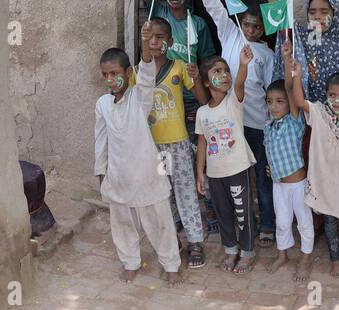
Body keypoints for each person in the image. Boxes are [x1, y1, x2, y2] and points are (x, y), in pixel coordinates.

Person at [182, 0, 278, 248]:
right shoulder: (230, 34)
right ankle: (226, 220)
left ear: (264, 27)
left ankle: (266, 224)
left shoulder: (267, 52)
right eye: (247, 23)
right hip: (228, 122)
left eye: (257, 24)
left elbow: (271, 89)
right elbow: (210, 2)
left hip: (257, 124)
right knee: (227, 174)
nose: (251, 28)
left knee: (261, 177)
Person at [95, 34, 181, 285]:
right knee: (122, 224)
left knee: (160, 223)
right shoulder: (102, 105)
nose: (110, 80)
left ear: (128, 72)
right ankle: (130, 262)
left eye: (114, 73)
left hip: (147, 174)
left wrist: (145, 44)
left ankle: (171, 264)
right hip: (119, 176)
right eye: (105, 75)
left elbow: (146, 74)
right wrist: (101, 172)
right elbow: (100, 140)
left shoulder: (140, 97)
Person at [285, 39, 339, 278]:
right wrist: (298, 75)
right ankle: (334, 259)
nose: (337, 100)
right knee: (330, 220)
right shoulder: (320, 113)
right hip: (324, 178)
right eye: (333, 95)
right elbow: (299, 101)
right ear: (326, 95)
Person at [143, 17, 209, 268]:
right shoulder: (139, 72)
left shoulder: (179, 67)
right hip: (154, 147)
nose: (156, 42)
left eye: (161, 37)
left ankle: (195, 242)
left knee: (185, 192)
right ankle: (171, 241)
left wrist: (195, 77)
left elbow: (203, 100)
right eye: (151, 37)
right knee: (163, 195)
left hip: (178, 144)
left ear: (170, 42)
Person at [194, 51, 259, 273]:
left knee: (243, 212)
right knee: (223, 213)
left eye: (226, 71)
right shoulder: (203, 113)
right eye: (217, 72)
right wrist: (200, 172)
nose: (225, 75)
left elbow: (240, 81)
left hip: (238, 169)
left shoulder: (233, 101)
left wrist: (242, 64)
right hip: (215, 173)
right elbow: (202, 143)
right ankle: (230, 250)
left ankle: (248, 252)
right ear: (206, 81)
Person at [263, 75, 313, 282]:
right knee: (282, 222)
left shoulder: (294, 122)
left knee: (304, 223)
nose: (273, 106)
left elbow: (292, 91)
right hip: (279, 185)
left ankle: (305, 258)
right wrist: (272, 167)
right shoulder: (268, 126)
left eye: (279, 101)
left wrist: (287, 62)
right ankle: (282, 254)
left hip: (298, 186)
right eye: (269, 101)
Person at [273, 0, 339, 104]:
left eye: (324, 12)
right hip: (305, 110)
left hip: (335, 112)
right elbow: (282, 19)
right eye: (312, 12)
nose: (317, 17)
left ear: (334, 14)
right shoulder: (301, 37)